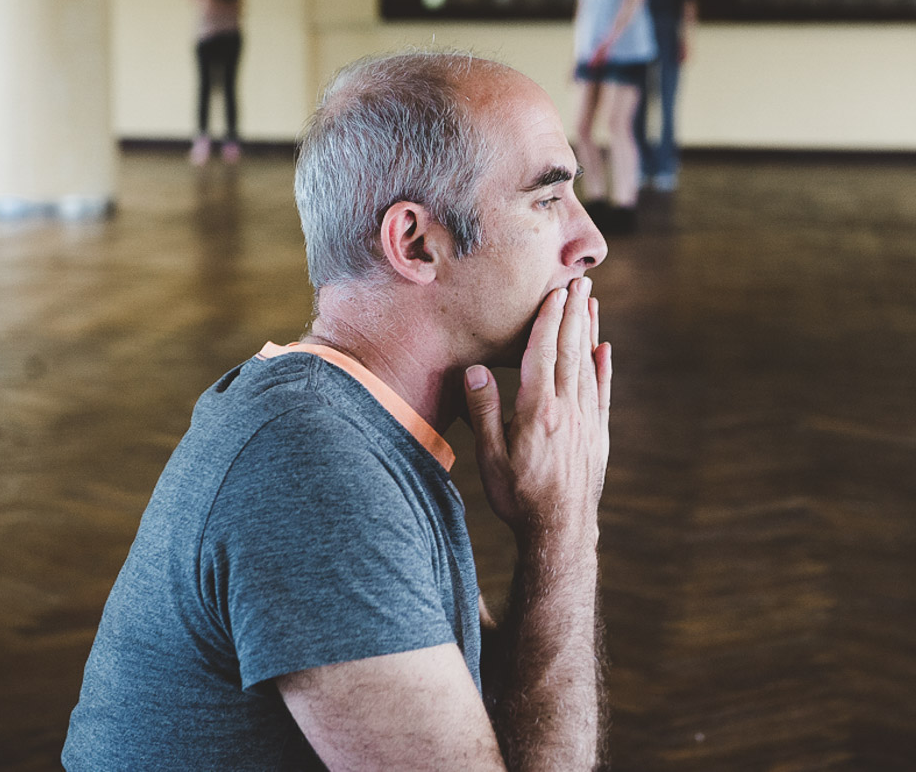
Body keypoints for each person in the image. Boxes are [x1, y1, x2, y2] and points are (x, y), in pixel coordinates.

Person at [63, 51, 612, 770]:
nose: (591, 243)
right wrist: (566, 533)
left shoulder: (355, 427)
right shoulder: (310, 468)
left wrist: (557, 530)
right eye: (547, 200)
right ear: (415, 242)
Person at [572, 0, 656, 233]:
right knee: (583, 127)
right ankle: (596, 198)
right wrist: (580, 47)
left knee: (619, 124)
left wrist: (611, 38)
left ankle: (626, 203)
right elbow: (584, 1)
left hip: (628, 45)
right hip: (591, 46)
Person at [633, 0, 697, 194]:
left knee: (668, 100)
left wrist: (688, 37)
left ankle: (666, 163)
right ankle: (642, 163)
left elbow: (688, 2)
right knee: (638, 101)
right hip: (638, 29)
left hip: (668, 28)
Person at [189, 0, 245, 166]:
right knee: (230, 88)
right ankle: (231, 143)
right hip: (232, 32)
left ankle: (202, 141)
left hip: (206, 33)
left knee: (204, 88)